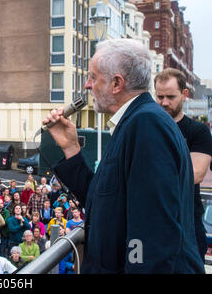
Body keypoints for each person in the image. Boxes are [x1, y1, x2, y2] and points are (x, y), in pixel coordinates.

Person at [45, 38, 204, 273]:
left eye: (93, 77)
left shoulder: (146, 124)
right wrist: (71, 148)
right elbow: (101, 200)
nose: (88, 85)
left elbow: (152, 233)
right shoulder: (135, 122)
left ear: (116, 83)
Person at [155, 68, 212, 264]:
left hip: (187, 221)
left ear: (185, 94)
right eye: (159, 96)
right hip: (153, 219)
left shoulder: (198, 132)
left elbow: (195, 174)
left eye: (170, 97)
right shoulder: (148, 128)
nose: (164, 102)